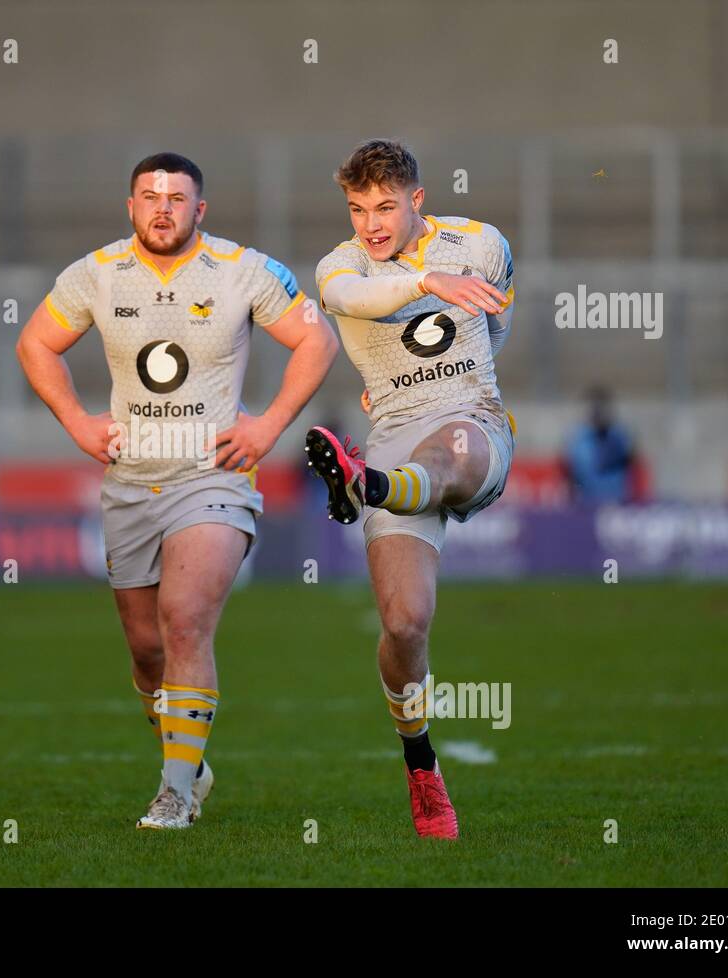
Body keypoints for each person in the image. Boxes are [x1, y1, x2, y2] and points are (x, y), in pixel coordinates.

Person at [16, 152, 338, 829]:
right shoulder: (95, 274)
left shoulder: (243, 268)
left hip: (213, 478)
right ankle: (189, 761)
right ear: (130, 206)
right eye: (148, 196)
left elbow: (317, 342)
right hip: (129, 485)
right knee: (146, 651)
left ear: (201, 210)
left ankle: (174, 794)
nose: (162, 207)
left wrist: (268, 426)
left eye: (176, 197)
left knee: (186, 618)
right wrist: (77, 421)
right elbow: (35, 345)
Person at [306, 139, 515, 839]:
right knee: (403, 624)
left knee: (447, 455)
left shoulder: (480, 243)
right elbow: (353, 298)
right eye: (358, 208)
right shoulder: (340, 266)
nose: (371, 223)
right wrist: (426, 284)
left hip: (468, 422)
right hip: (392, 432)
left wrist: (480, 374)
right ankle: (422, 767)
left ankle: (364, 483)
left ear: (417, 200)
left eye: (385, 206)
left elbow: (495, 320)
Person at [564, 387, 637, 503]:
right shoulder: (579, 438)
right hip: (586, 503)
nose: (599, 412)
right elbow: (571, 473)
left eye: (602, 407)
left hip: (616, 501)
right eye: (595, 407)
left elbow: (628, 462)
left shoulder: (619, 436)